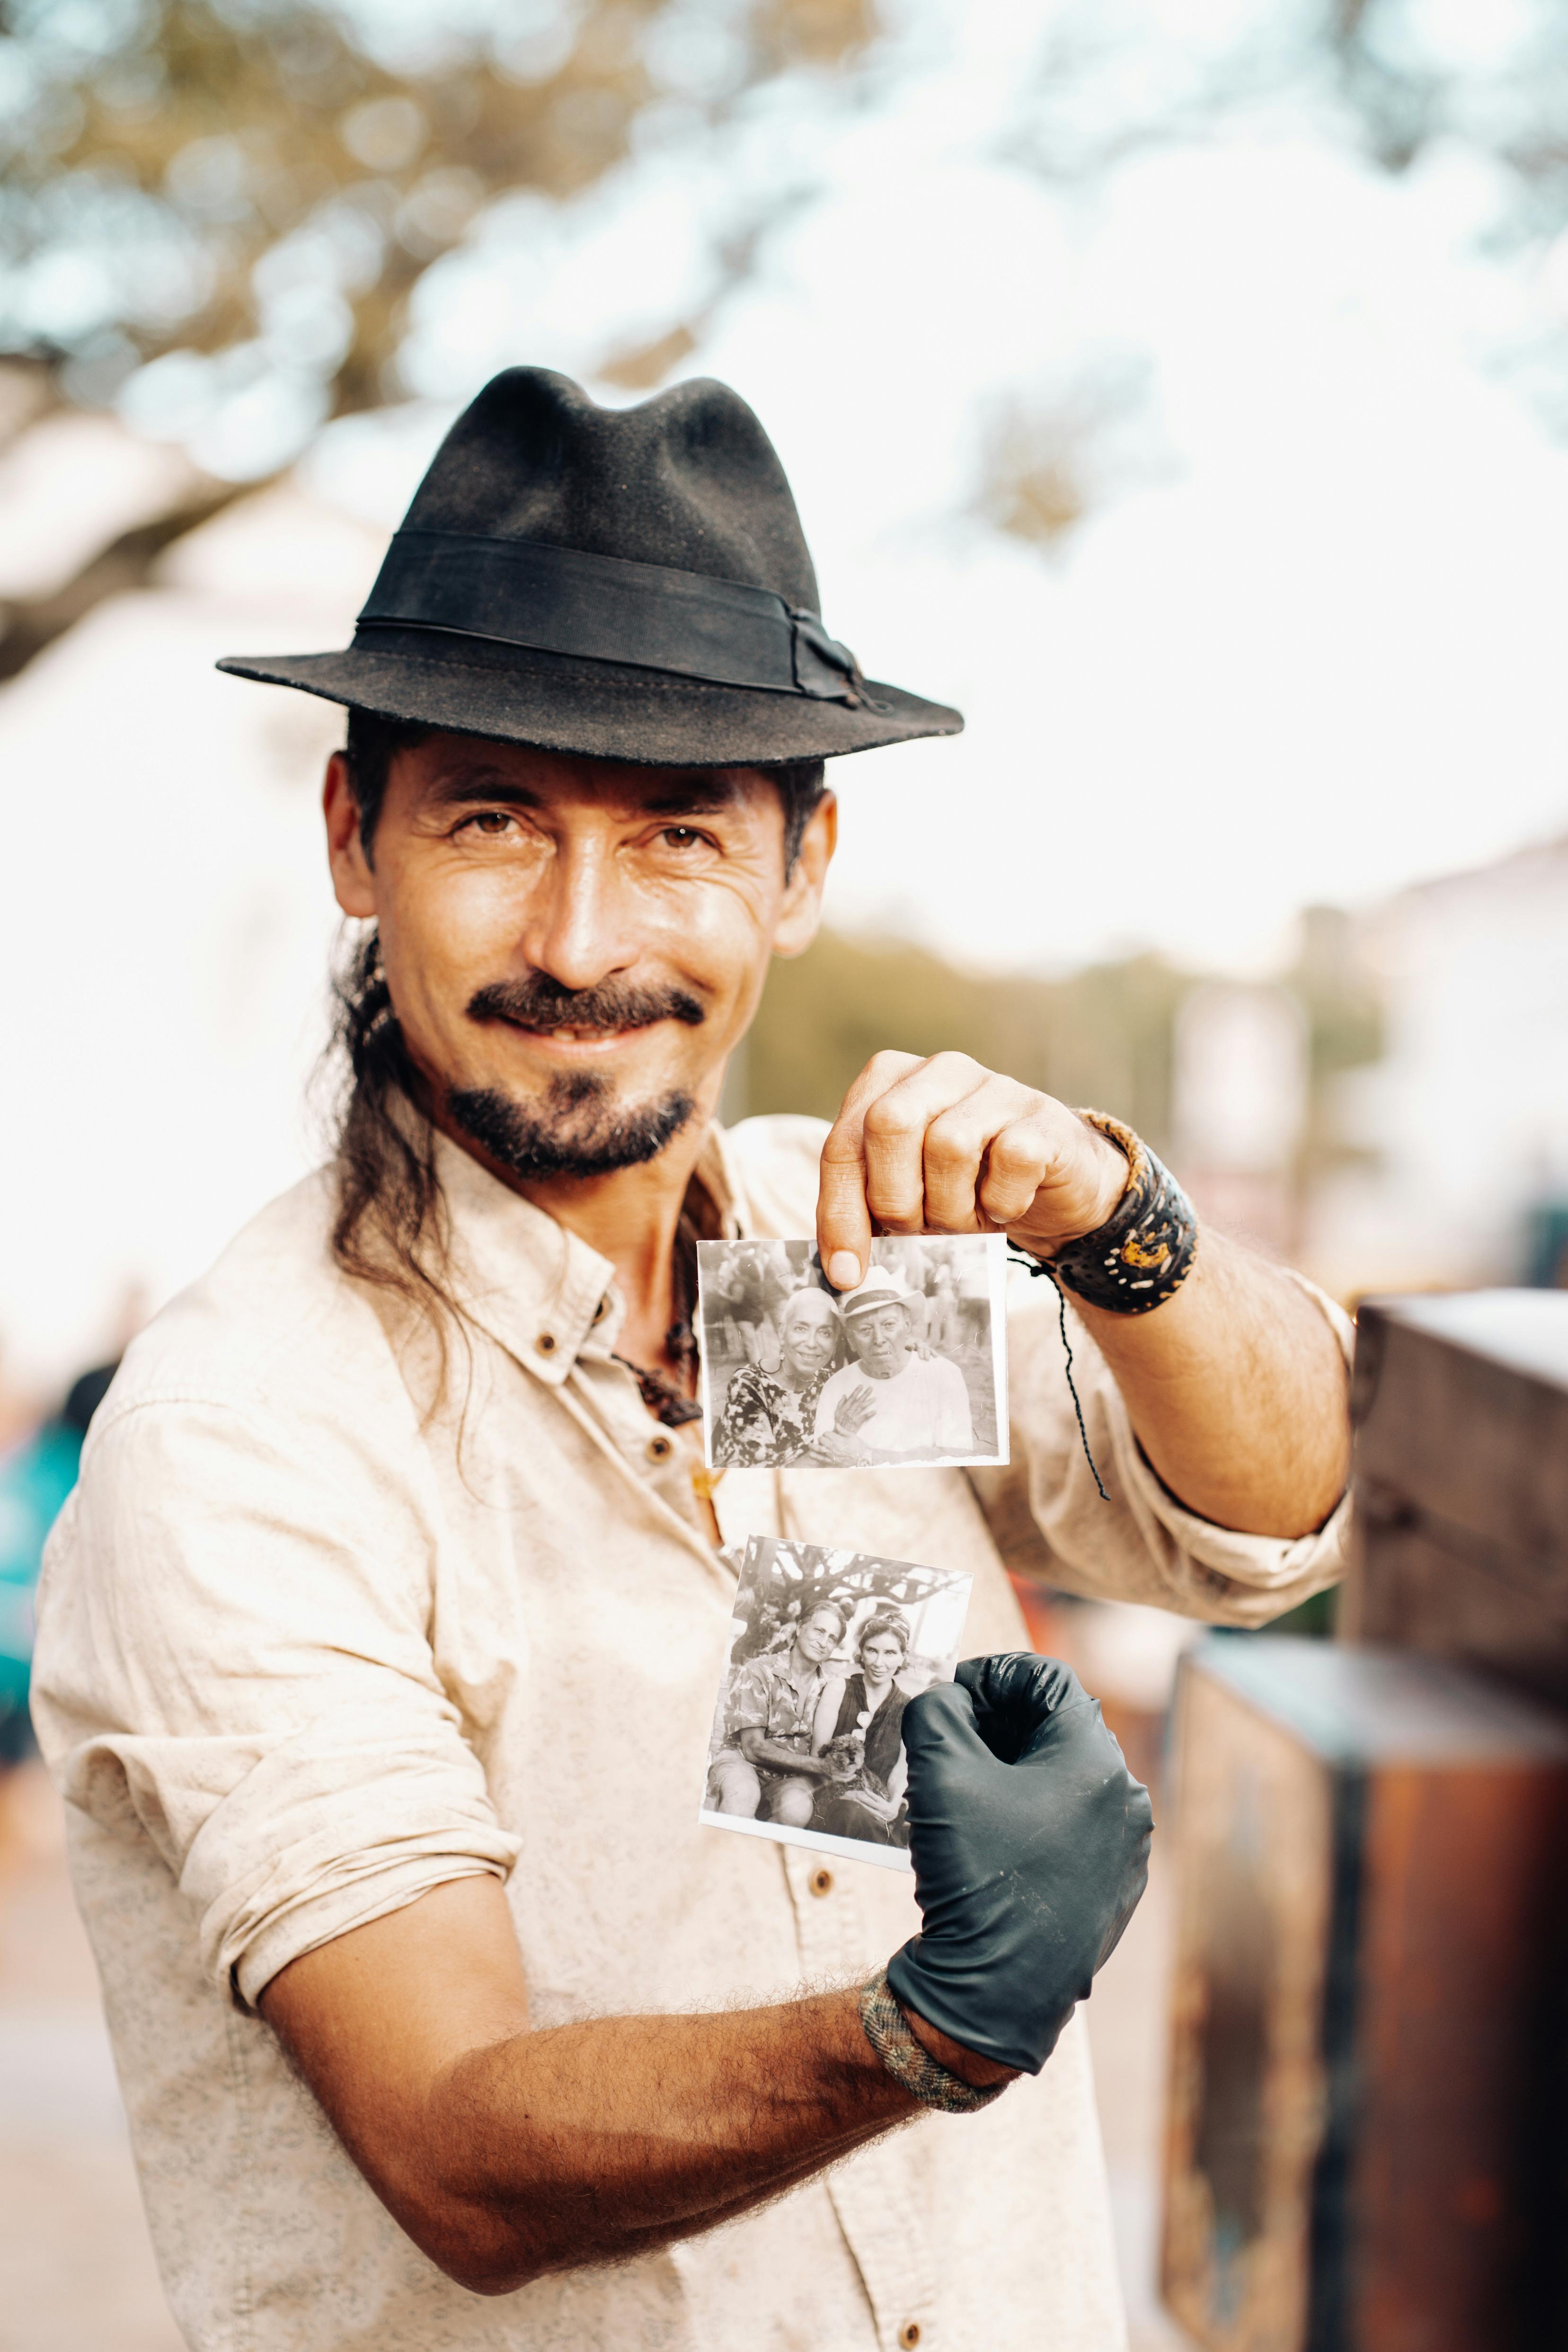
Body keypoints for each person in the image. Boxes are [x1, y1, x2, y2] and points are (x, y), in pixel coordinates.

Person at [32, 367, 1351, 2352]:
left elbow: (1275, 1515)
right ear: (352, 839)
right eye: (490, 819)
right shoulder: (255, 1431)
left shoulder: (823, 1268)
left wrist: (1118, 1218)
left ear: (798, 874)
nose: (581, 941)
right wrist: (933, 2023)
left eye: (673, 837)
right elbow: (460, 2155)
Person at [812, 1263, 975, 1464]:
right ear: (851, 1341)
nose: (879, 1338)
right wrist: (840, 1432)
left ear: (908, 1326)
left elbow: (958, 1457)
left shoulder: (945, 1374)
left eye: (889, 1325)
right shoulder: (836, 1386)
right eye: (865, 1330)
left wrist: (869, 1456)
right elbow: (823, 1460)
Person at [709, 1601, 849, 1825]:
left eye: (832, 1638)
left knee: (798, 1810)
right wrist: (820, 1766)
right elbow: (753, 1748)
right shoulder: (759, 1671)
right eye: (819, 1631)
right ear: (800, 1627)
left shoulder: (829, 1688)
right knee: (743, 1795)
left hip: (792, 1778)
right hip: (743, 1762)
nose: (823, 1643)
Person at [710, 1286, 847, 1465]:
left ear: (835, 1342)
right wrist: (839, 1438)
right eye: (801, 1329)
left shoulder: (830, 1382)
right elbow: (767, 1475)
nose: (812, 1343)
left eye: (825, 1333)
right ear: (782, 1332)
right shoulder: (750, 1383)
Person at [810, 1613, 912, 1846]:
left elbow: (901, 1769)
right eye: (872, 1650)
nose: (879, 1663)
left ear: (903, 1657)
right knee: (853, 1816)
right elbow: (819, 1756)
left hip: (880, 1804)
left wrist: (894, 1805)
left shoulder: (909, 1708)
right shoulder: (839, 1689)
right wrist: (844, 1794)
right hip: (833, 1797)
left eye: (890, 1653)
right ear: (862, 1652)